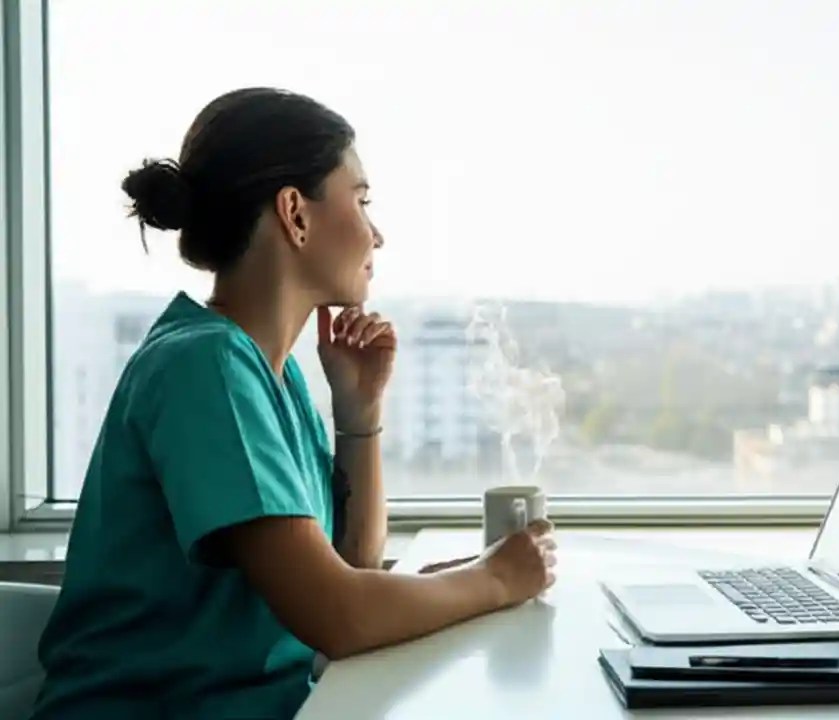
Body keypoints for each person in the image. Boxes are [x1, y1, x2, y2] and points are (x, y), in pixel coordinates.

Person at [29, 88, 557, 720]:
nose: (377, 234)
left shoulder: (272, 377)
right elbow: (336, 615)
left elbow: (347, 567)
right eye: (361, 200)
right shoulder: (205, 368)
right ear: (295, 215)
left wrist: (358, 417)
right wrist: (494, 581)